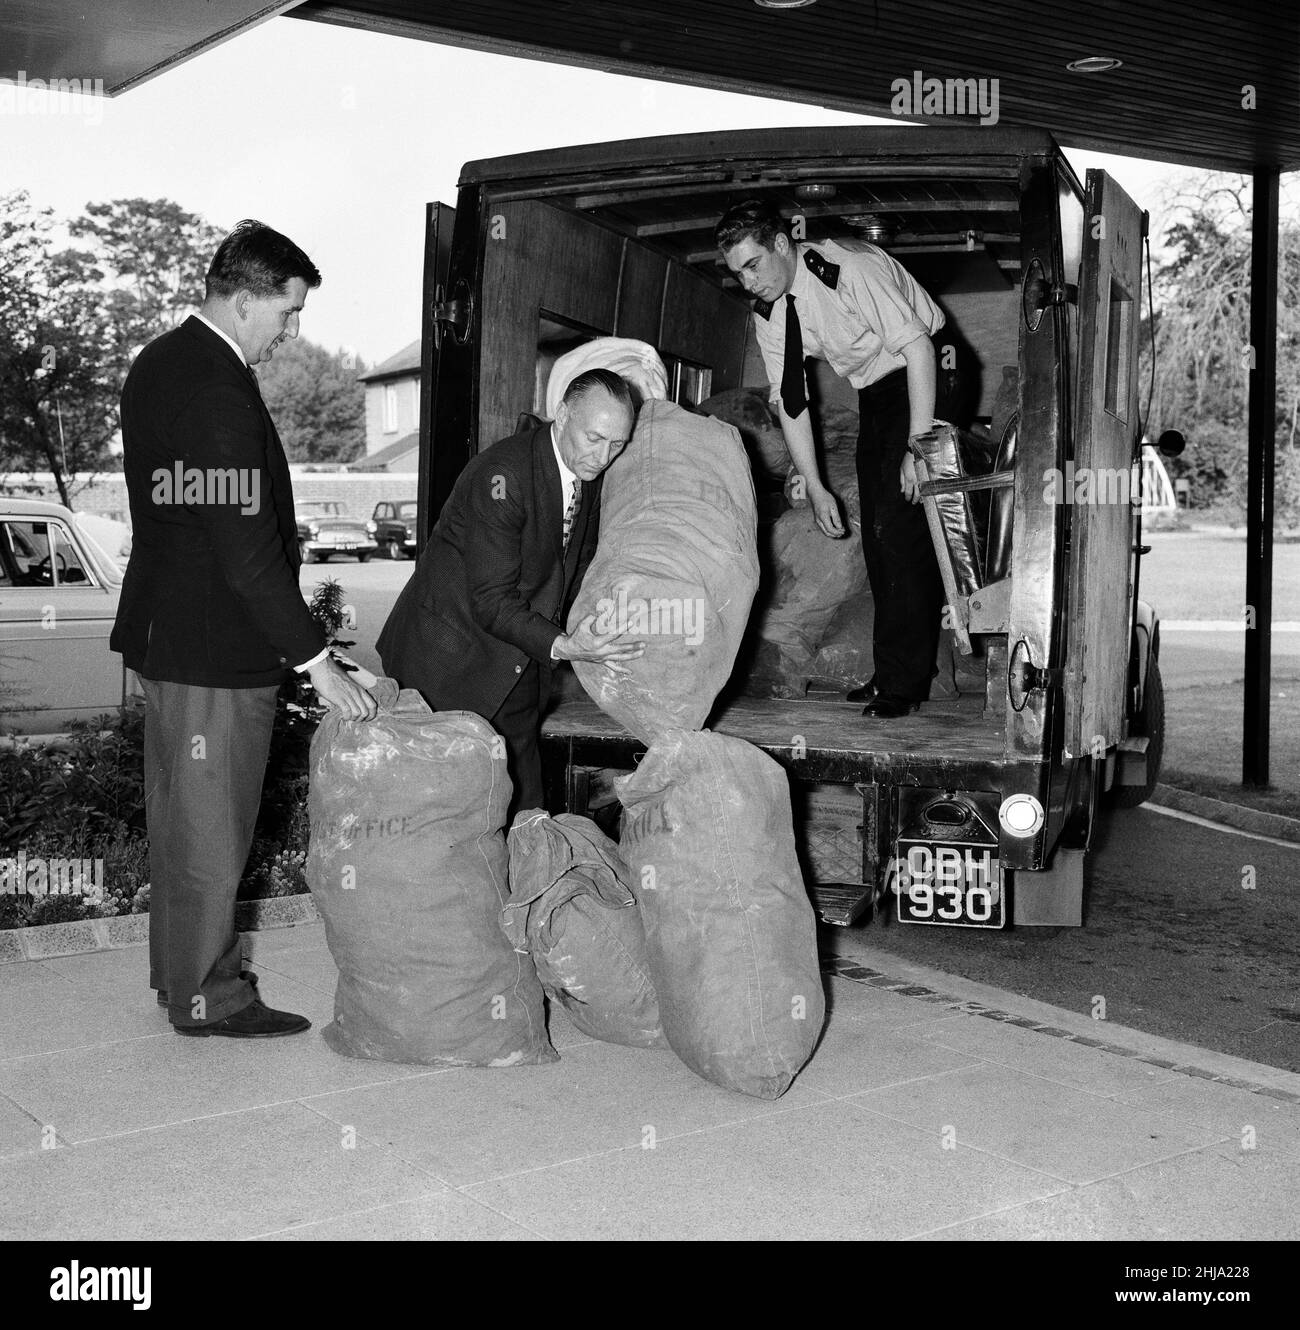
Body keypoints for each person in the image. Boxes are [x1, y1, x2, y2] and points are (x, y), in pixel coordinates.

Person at [111, 220, 377, 1039]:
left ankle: (180, 979)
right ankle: (209, 999)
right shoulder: (217, 388)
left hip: (171, 633)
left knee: (184, 824)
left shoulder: (161, 361)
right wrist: (314, 660)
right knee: (212, 833)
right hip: (212, 647)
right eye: (287, 314)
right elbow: (245, 545)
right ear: (245, 297)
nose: (291, 334)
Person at [715, 199, 948, 718]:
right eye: (738, 274)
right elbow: (793, 402)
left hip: (928, 372)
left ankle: (905, 684)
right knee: (876, 534)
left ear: (782, 243)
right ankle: (896, 671)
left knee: (897, 527)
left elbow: (920, 352)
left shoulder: (846, 267)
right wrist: (815, 484)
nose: (748, 282)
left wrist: (919, 446)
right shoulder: (772, 313)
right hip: (878, 392)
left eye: (753, 264)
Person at [376, 368, 644, 819]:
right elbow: (492, 599)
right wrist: (566, 645)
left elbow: (572, 568)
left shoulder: (588, 475)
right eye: (595, 438)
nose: (603, 457)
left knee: (525, 811)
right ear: (561, 414)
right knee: (440, 817)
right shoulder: (502, 475)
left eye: (617, 444)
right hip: (444, 666)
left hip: (517, 662)